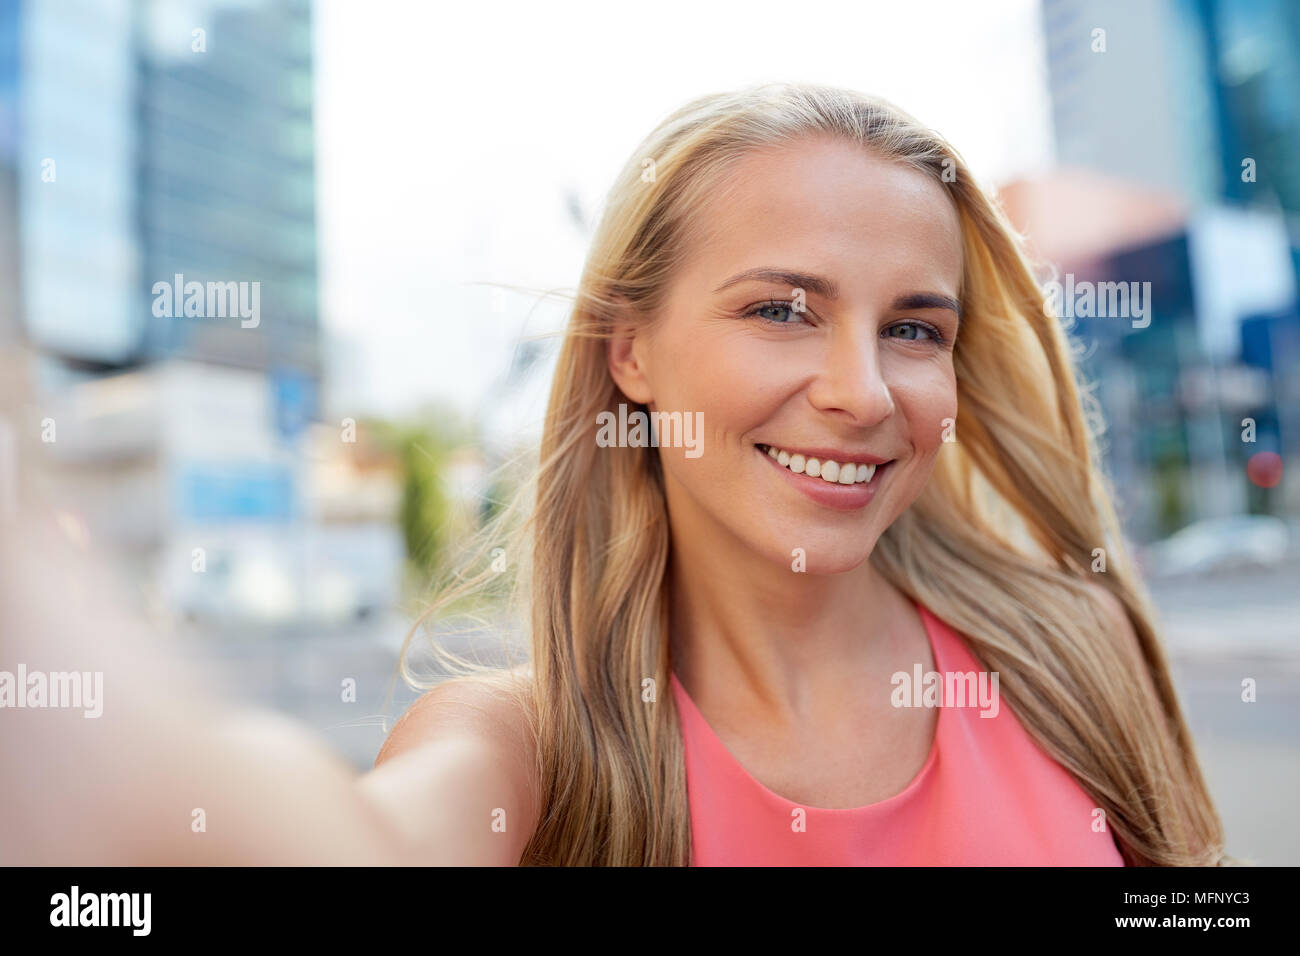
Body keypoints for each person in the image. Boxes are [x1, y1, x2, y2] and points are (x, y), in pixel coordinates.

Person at [0, 82, 1228, 867]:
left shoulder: (1067, 650)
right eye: (782, 309)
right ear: (629, 351)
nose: (861, 389)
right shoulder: (530, 751)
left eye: (914, 327)